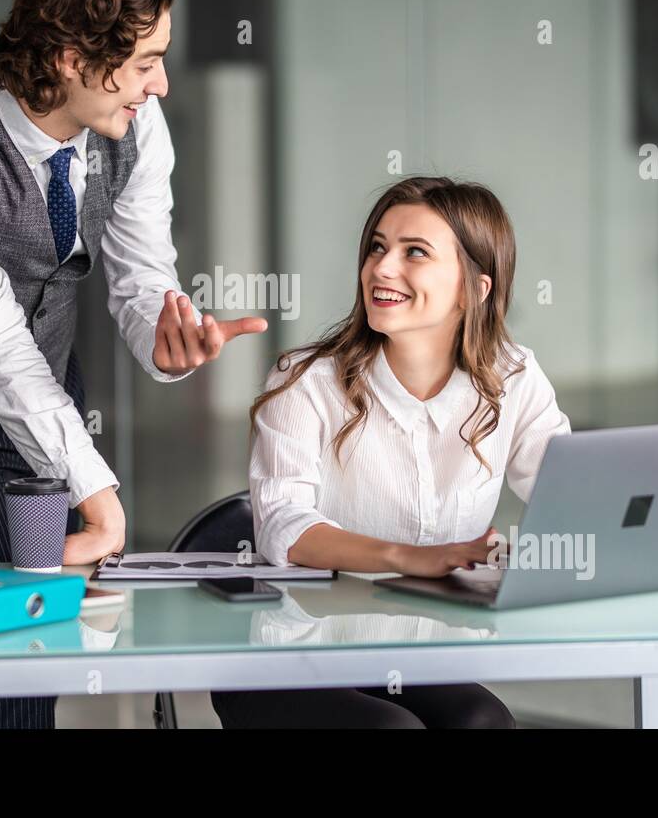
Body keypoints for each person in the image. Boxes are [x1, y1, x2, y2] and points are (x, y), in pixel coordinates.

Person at [0, 0, 266, 729]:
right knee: (14, 649)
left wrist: (163, 335)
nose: (160, 83)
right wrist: (99, 494)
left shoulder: (135, 129)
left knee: (50, 637)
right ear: (76, 59)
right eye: (146, 61)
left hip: (50, 395)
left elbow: (142, 272)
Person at [211, 176, 571, 728]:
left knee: (483, 721)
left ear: (475, 288)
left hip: (414, 655)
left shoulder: (513, 378)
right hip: (289, 654)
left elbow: (571, 488)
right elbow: (284, 527)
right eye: (378, 247)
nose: (381, 268)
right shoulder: (306, 381)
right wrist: (410, 557)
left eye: (414, 253)